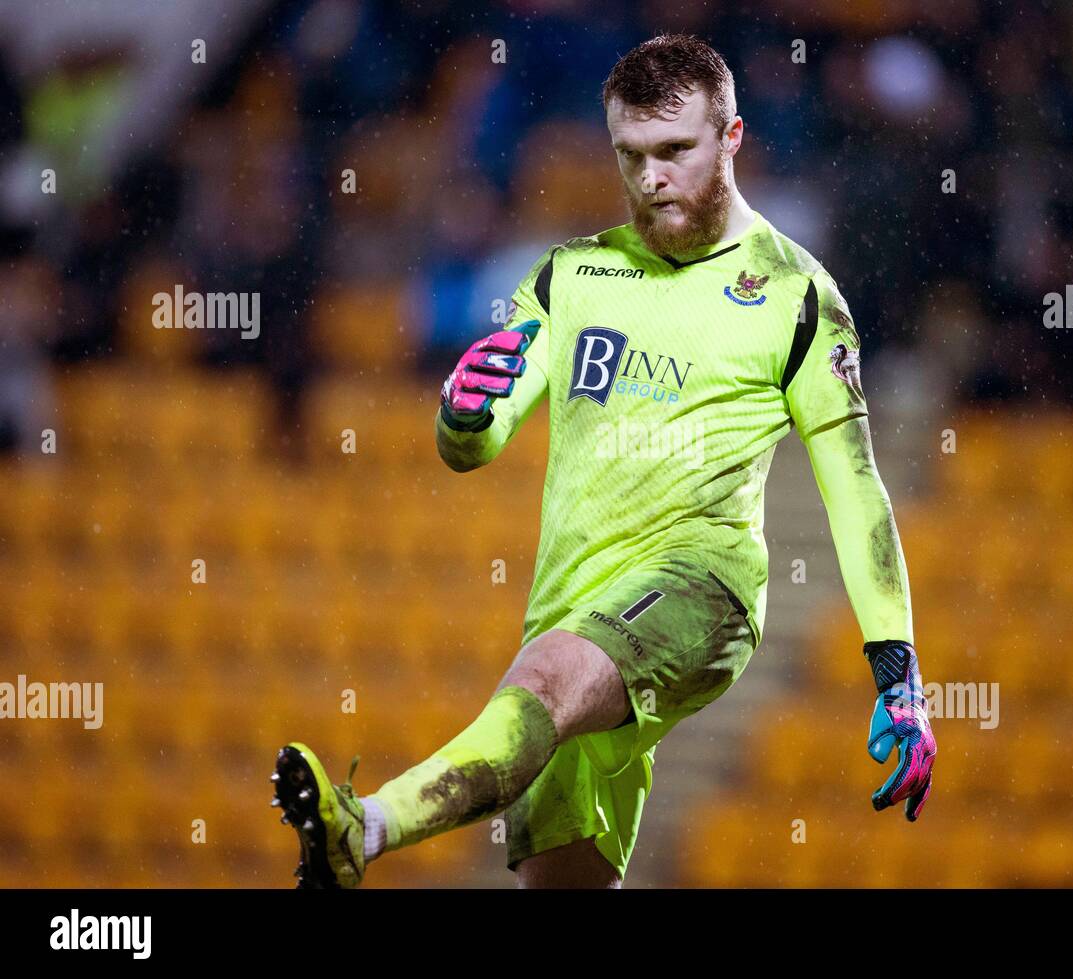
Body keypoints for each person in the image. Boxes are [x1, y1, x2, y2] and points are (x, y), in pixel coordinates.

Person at [271, 33, 935, 889]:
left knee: (542, 681)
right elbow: (475, 438)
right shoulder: (569, 276)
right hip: (570, 599)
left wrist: (898, 668)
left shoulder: (795, 293)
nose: (652, 178)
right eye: (631, 156)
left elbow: (854, 488)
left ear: (731, 139)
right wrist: (461, 412)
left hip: (701, 590)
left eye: (675, 151)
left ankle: (362, 829)